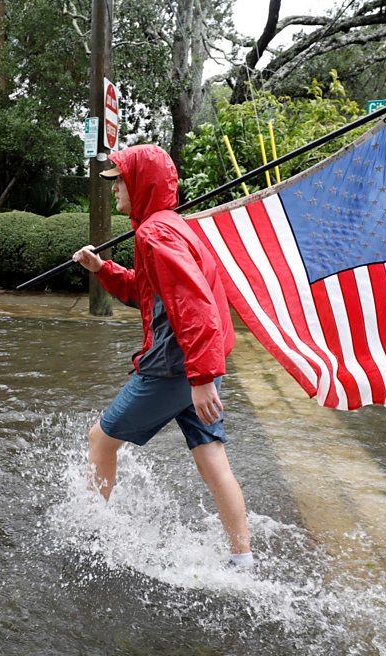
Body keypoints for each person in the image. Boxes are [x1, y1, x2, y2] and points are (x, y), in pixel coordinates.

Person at [72, 144, 253, 568]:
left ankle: (89, 536)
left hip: (177, 366)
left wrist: (202, 376)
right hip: (195, 364)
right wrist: (104, 270)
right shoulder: (172, 227)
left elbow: (193, 303)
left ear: (141, 183)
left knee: (100, 439)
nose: (115, 189)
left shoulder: (155, 233)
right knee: (212, 459)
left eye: (120, 180)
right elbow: (152, 293)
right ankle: (242, 561)